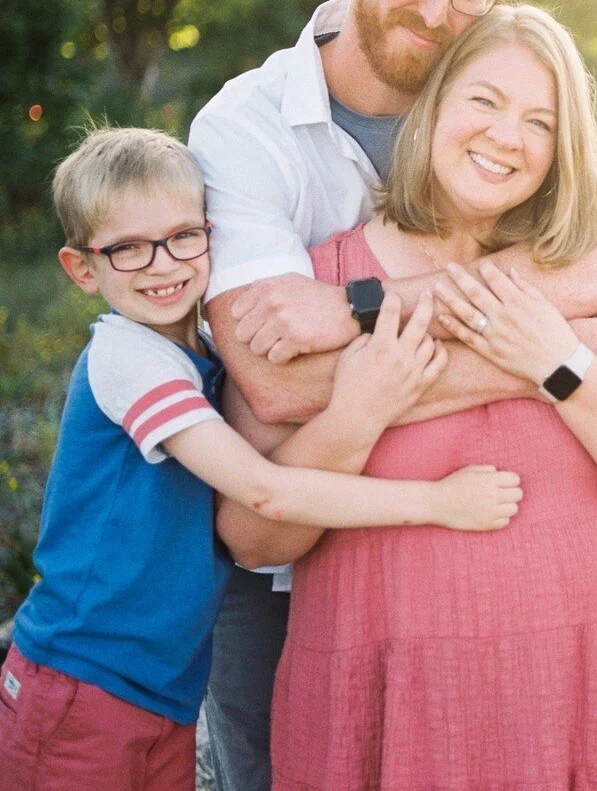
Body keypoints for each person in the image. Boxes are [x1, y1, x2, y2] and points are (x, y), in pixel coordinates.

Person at [188, 0, 597, 790]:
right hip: (282, 522)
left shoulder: (491, 101)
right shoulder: (246, 128)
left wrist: (356, 309)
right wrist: (532, 364)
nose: (439, 10)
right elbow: (273, 383)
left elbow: (592, 266)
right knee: (285, 765)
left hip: (450, 556)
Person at [216, 3, 597, 787]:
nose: (507, 136)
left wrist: (560, 363)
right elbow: (253, 536)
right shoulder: (320, 285)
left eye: (540, 122)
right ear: (433, 105)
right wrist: (357, 415)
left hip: (586, 703)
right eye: (485, 100)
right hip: (391, 706)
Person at [0, 127, 524, 789]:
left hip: (161, 691)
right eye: (128, 248)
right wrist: (436, 501)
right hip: (82, 682)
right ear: (83, 268)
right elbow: (265, 491)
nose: (162, 264)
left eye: (182, 236)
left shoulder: (209, 350)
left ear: (211, 236)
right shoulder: (129, 358)